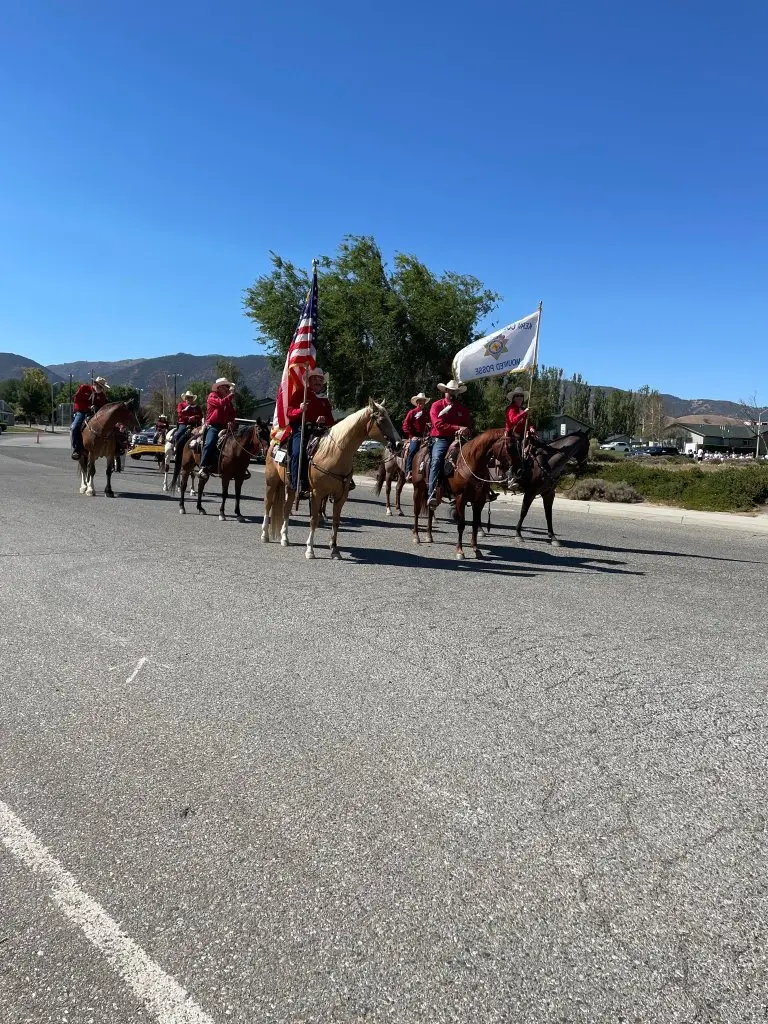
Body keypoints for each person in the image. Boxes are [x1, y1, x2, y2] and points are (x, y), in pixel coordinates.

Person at [287, 367, 335, 493]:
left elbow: (331, 419)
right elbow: (289, 413)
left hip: (319, 430)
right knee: (298, 453)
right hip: (301, 428)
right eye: (315, 378)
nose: (318, 381)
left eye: (320, 379)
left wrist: (324, 419)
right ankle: (296, 483)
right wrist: (300, 410)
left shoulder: (324, 399)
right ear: (309, 380)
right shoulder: (300, 394)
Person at [427, 379, 472, 508]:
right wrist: (458, 428)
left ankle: (478, 490)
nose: (452, 393)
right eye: (450, 391)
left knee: (475, 456)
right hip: (441, 439)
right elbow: (438, 425)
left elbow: (468, 424)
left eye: (454, 391)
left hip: (459, 440)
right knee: (436, 460)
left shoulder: (462, 408)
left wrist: (467, 430)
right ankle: (432, 493)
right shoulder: (436, 405)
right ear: (445, 391)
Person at [198, 378, 237, 482]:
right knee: (210, 443)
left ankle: (237, 467)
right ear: (219, 387)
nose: (228, 389)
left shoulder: (227, 400)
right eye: (226, 387)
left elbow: (232, 413)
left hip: (225, 427)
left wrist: (231, 421)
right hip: (213, 426)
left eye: (228, 387)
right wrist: (230, 396)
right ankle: (203, 466)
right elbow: (220, 404)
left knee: (236, 443)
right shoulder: (212, 396)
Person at [70, 376, 110, 459]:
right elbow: (76, 400)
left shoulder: (102, 395)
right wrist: (89, 406)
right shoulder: (84, 388)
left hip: (94, 414)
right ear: (95, 384)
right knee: (75, 427)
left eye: (102, 387)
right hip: (81, 412)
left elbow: (102, 407)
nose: (101, 389)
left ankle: (104, 448)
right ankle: (76, 449)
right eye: (100, 386)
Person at [505, 386, 533, 478]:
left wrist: (531, 428)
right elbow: (512, 421)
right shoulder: (511, 408)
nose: (520, 397)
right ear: (513, 398)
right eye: (517, 396)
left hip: (523, 435)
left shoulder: (523, 409)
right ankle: (512, 471)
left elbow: (528, 423)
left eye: (521, 395)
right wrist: (524, 413)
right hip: (512, 435)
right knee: (515, 449)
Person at [402, 392, 430, 481]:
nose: (422, 403)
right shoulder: (412, 412)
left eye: (423, 402)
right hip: (415, 437)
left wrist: (428, 435)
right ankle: (409, 470)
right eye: (420, 402)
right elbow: (405, 426)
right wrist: (411, 436)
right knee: (413, 450)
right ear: (417, 402)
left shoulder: (427, 414)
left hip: (425, 437)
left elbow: (431, 426)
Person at [173, 390, 202, 466]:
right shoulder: (181, 405)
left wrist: (194, 417)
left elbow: (200, 415)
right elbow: (179, 414)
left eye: (191, 398)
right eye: (188, 398)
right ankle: (176, 449)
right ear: (185, 398)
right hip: (184, 423)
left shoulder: (196, 407)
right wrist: (187, 418)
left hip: (195, 424)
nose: (189, 399)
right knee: (178, 434)